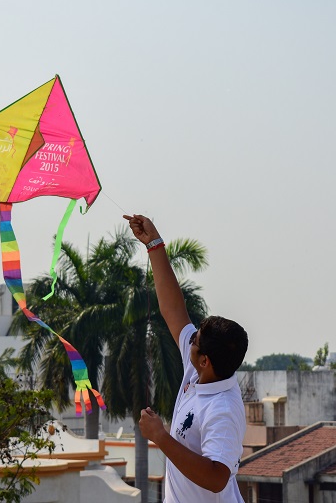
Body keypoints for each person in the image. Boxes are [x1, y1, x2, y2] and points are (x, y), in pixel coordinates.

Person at [123, 214, 249, 502]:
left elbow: (217, 479)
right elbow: (174, 311)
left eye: (195, 341)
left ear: (205, 360)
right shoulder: (202, 371)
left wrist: (161, 436)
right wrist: (154, 244)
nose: (189, 338)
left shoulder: (223, 409)